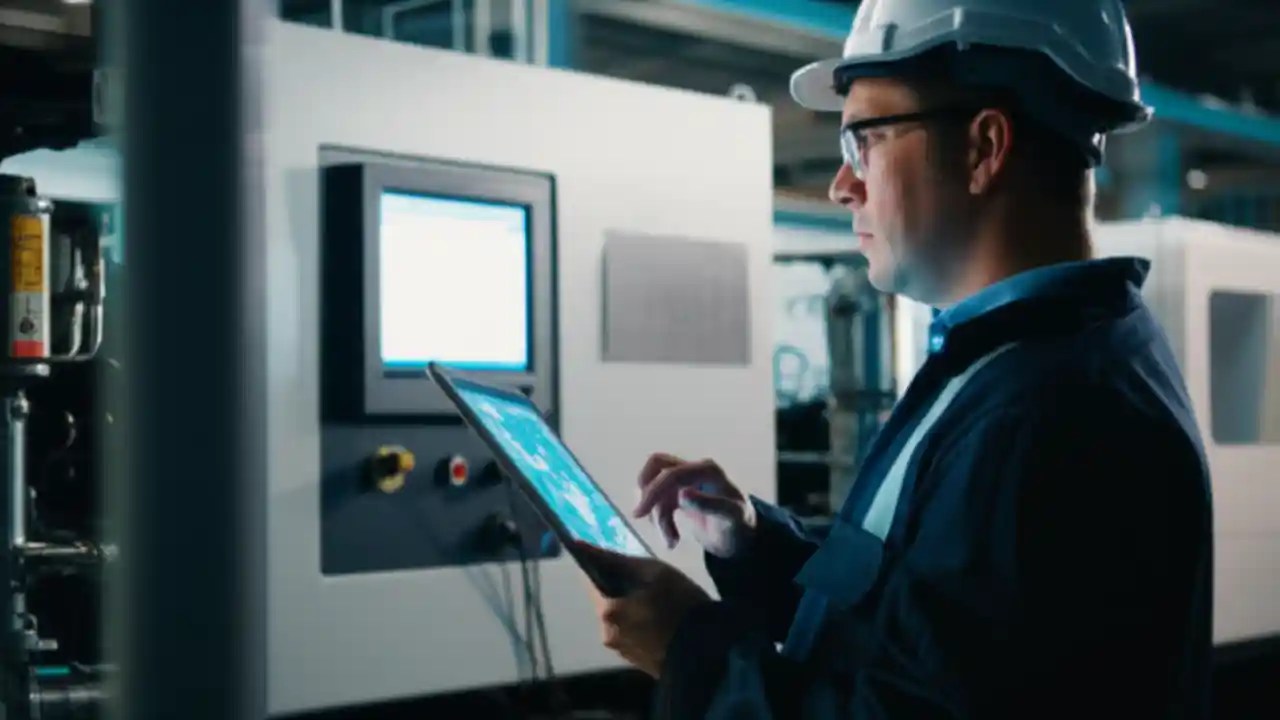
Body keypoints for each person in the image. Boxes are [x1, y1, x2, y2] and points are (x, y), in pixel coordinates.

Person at [573, 1, 1214, 718]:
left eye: (863, 143)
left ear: (983, 148)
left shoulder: (1048, 411)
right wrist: (756, 546)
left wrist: (690, 651)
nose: (842, 186)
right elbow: (914, 620)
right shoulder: (1018, 359)